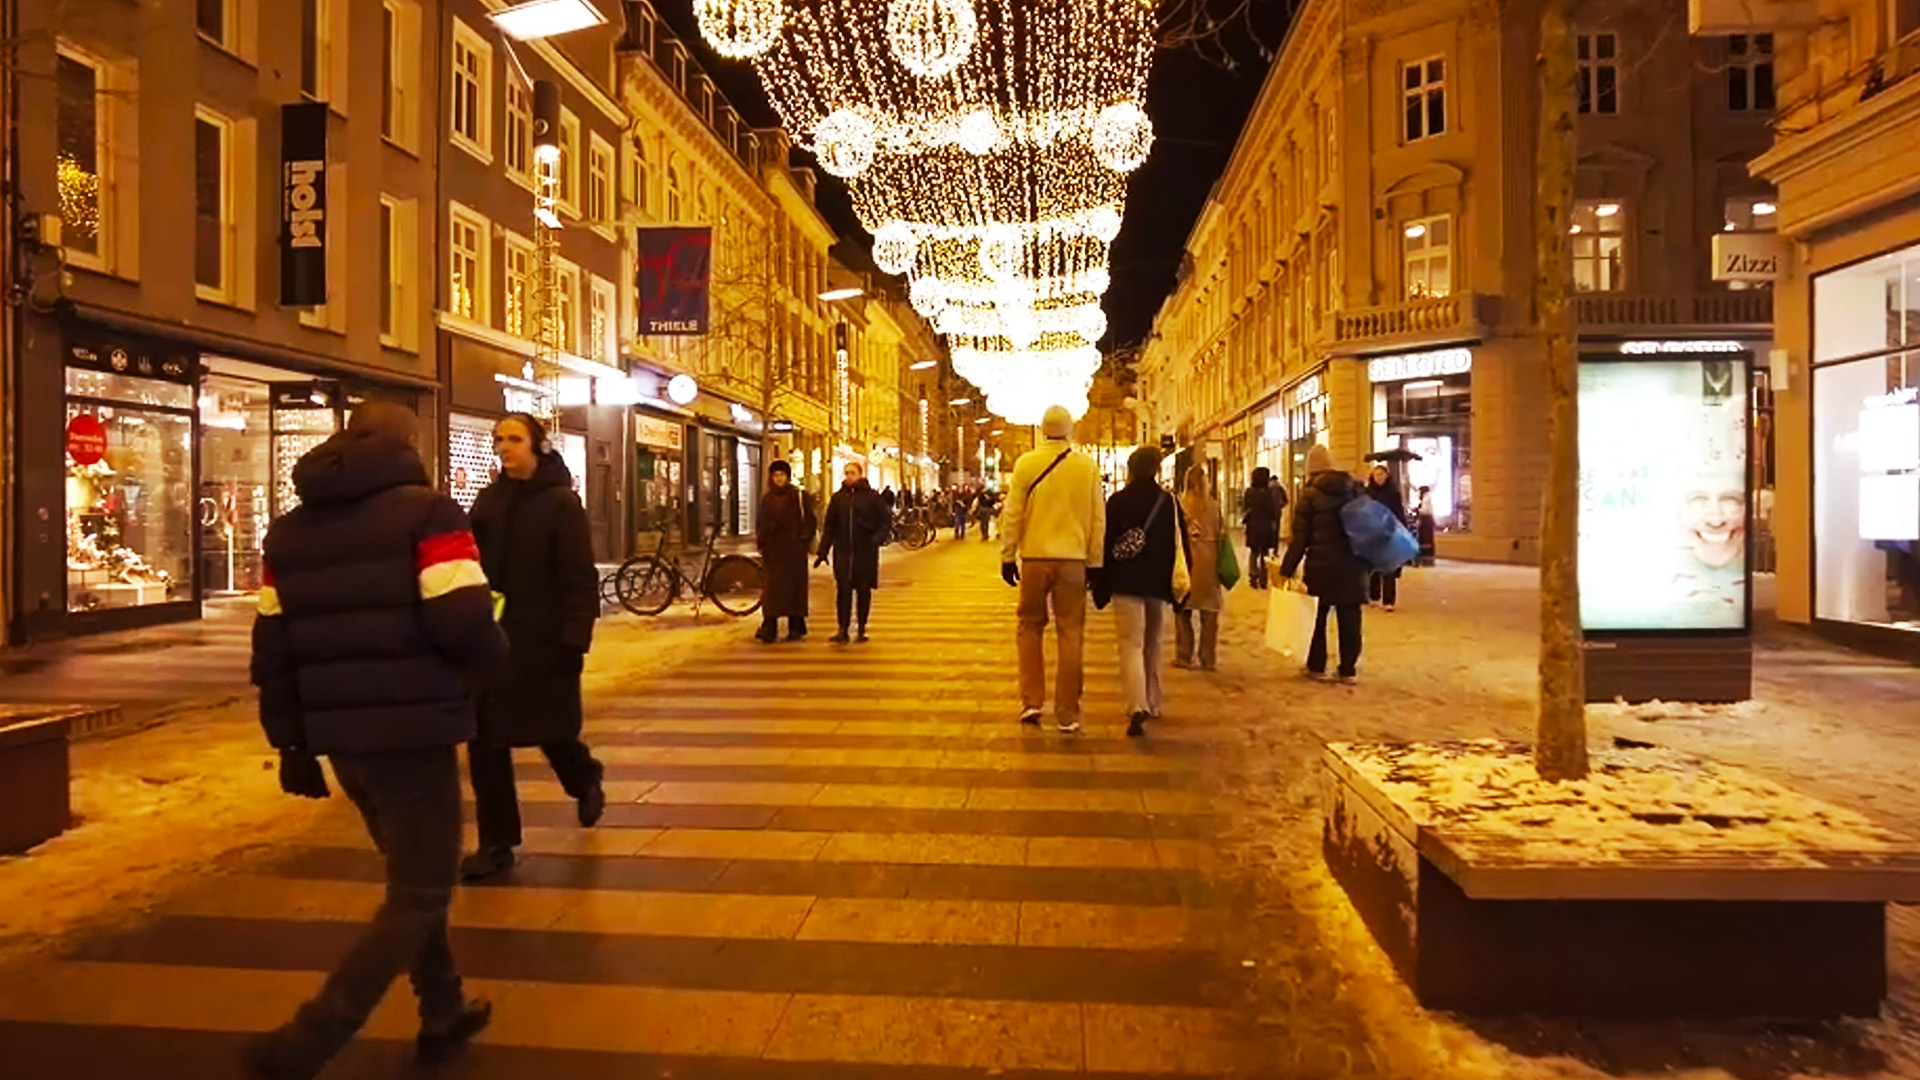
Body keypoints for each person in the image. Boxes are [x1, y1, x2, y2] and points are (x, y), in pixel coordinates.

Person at [246, 400, 507, 1080]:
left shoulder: (288, 534)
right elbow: (463, 619)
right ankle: (307, 1040)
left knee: (411, 882)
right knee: (420, 893)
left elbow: (271, 648)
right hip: (415, 733)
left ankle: (442, 1007)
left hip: (343, 740)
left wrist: (293, 743)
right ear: (409, 444)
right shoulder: (430, 514)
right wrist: (495, 658)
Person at [460, 413, 605, 882]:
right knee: (485, 743)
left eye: (515, 439)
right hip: (490, 639)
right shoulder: (487, 500)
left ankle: (585, 779)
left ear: (538, 446)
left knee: (552, 732)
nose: (505, 447)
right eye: (499, 439)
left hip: (543, 641)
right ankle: (497, 843)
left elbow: (580, 580)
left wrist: (573, 640)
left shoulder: (561, 504)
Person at [1000, 405, 1105, 734]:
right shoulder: (1087, 467)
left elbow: (1013, 512)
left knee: (1029, 628)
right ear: (1069, 430)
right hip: (1072, 560)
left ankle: (1032, 701)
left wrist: (1007, 554)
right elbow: (1098, 518)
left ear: (1043, 430)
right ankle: (1067, 712)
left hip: (1034, 557)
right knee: (1071, 632)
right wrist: (1096, 562)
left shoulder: (1026, 464)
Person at [1095, 447, 1182, 738]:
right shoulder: (1168, 502)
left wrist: (1100, 584)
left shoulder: (1117, 502)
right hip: (1157, 583)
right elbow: (1177, 544)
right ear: (1157, 470)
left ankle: (1136, 705)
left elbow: (1105, 544)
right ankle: (1154, 701)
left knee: (1130, 644)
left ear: (1131, 469)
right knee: (1153, 643)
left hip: (1125, 581)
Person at [1279, 445, 1369, 683]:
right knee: (1350, 617)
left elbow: (1300, 539)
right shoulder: (1355, 490)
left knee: (1316, 618)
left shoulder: (1309, 496)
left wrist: (1286, 569)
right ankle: (1348, 669)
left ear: (1311, 471)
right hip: (1352, 565)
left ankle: (1316, 666)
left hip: (1321, 566)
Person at [816, 461, 889, 643]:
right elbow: (829, 527)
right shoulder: (838, 498)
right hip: (843, 553)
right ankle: (842, 629)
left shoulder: (872, 498)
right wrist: (822, 551)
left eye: (852, 473)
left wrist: (877, 539)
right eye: (847, 473)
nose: (849, 476)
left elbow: (885, 521)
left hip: (865, 554)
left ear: (860, 474)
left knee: (863, 592)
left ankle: (862, 628)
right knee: (843, 592)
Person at [756, 460, 817, 643]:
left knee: (794, 590)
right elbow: (760, 523)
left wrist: (803, 540)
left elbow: (810, 521)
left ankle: (796, 626)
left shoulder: (799, 496)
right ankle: (770, 627)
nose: (779, 479)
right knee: (772, 591)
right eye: (775, 475)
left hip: (793, 552)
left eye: (782, 475)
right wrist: (762, 540)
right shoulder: (767, 499)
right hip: (773, 552)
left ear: (787, 477)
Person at [1176, 463, 1225, 671]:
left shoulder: (1180, 504)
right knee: (1209, 612)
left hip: (1187, 561)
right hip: (1210, 561)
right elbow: (1221, 531)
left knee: (1182, 610)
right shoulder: (1213, 505)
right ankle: (1208, 656)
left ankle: (1184, 654)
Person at [1365, 464, 1407, 612]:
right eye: (1376, 475)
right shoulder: (1367, 493)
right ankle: (1374, 595)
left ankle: (1388, 600)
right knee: (1373, 567)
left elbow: (1399, 513)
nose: (1379, 478)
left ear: (1387, 476)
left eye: (1381, 475)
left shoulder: (1393, 493)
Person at [1242, 467, 1284, 589]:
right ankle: (1264, 578)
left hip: (1253, 527)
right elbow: (1273, 510)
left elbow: (1245, 508)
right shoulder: (1268, 493)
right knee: (1264, 553)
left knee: (1254, 553)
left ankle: (1253, 576)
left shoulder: (1249, 492)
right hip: (1265, 527)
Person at [1415, 485, 1437, 566]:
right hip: (1427, 521)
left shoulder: (1426, 498)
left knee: (1425, 540)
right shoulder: (1427, 498)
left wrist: (1418, 510)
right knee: (1427, 540)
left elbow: (1425, 510)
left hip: (1426, 521)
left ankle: (1426, 560)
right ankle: (1427, 560)